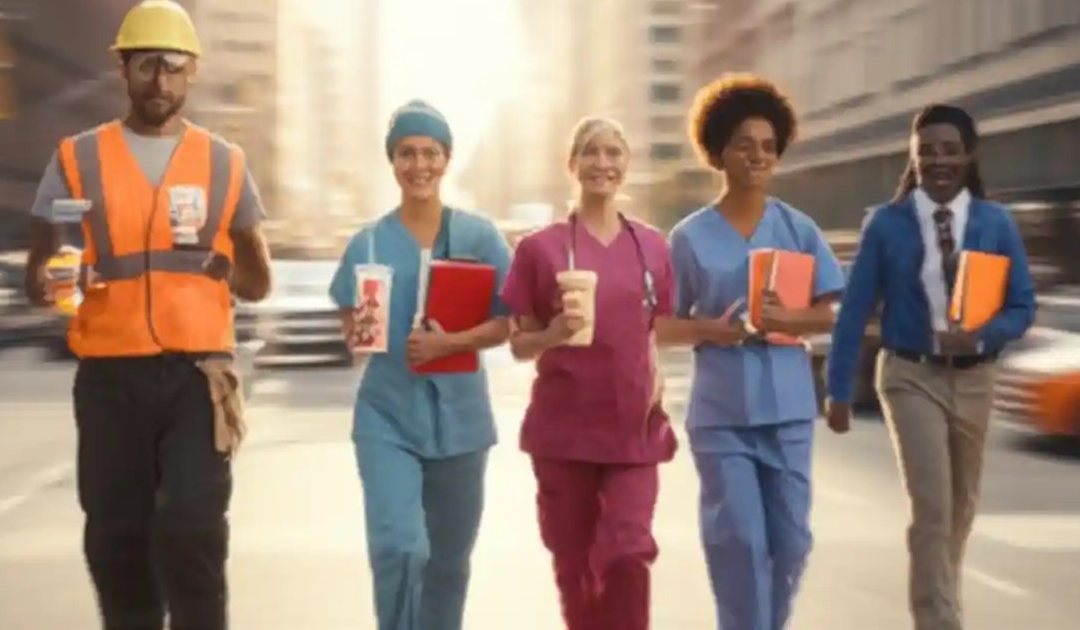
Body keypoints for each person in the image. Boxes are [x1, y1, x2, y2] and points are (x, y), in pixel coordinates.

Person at [24, 0, 272, 630]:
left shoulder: (225, 162)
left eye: (172, 66)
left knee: (192, 527)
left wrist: (228, 271)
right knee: (118, 541)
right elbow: (39, 277)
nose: (159, 81)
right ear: (123, 70)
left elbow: (259, 280)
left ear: (192, 71)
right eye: (144, 66)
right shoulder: (76, 160)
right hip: (110, 381)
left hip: (197, 379)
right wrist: (65, 283)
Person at [826, 104, 1035, 630]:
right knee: (933, 509)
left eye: (948, 150)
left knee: (961, 510)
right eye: (926, 152)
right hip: (910, 375)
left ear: (968, 155)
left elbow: (1023, 306)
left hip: (975, 377)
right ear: (912, 158)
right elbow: (854, 310)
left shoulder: (996, 222)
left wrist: (984, 336)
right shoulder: (886, 224)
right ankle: (937, 621)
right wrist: (837, 391)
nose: (937, 161)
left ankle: (945, 600)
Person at [667, 74, 846, 630]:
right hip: (722, 416)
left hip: (790, 412)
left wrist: (788, 319)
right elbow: (661, 325)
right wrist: (711, 331)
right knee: (739, 541)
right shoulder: (689, 237)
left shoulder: (798, 228)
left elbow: (829, 312)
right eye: (744, 144)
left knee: (791, 543)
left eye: (768, 146)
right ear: (718, 151)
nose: (758, 156)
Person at [327, 99, 513, 630]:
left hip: (462, 422)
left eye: (430, 152)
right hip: (386, 415)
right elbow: (351, 327)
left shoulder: (480, 238)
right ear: (392, 162)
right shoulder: (367, 242)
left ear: (447, 159)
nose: (419, 165)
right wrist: (360, 328)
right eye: (406, 153)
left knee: (449, 566)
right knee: (400, 548)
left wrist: (450, 344)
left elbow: (508, 322)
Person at [500, 117, 678, 630]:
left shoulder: (653, 248)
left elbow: (657, 329)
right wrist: (554, 333)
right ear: (572, 164)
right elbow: (518, 344)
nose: (603, 163)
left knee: (628, 554)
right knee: (574, 569)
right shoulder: (540, 249)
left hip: (633, 433)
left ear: (626, 165)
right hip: (564, 435)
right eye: (592, 153)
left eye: (614, 153)